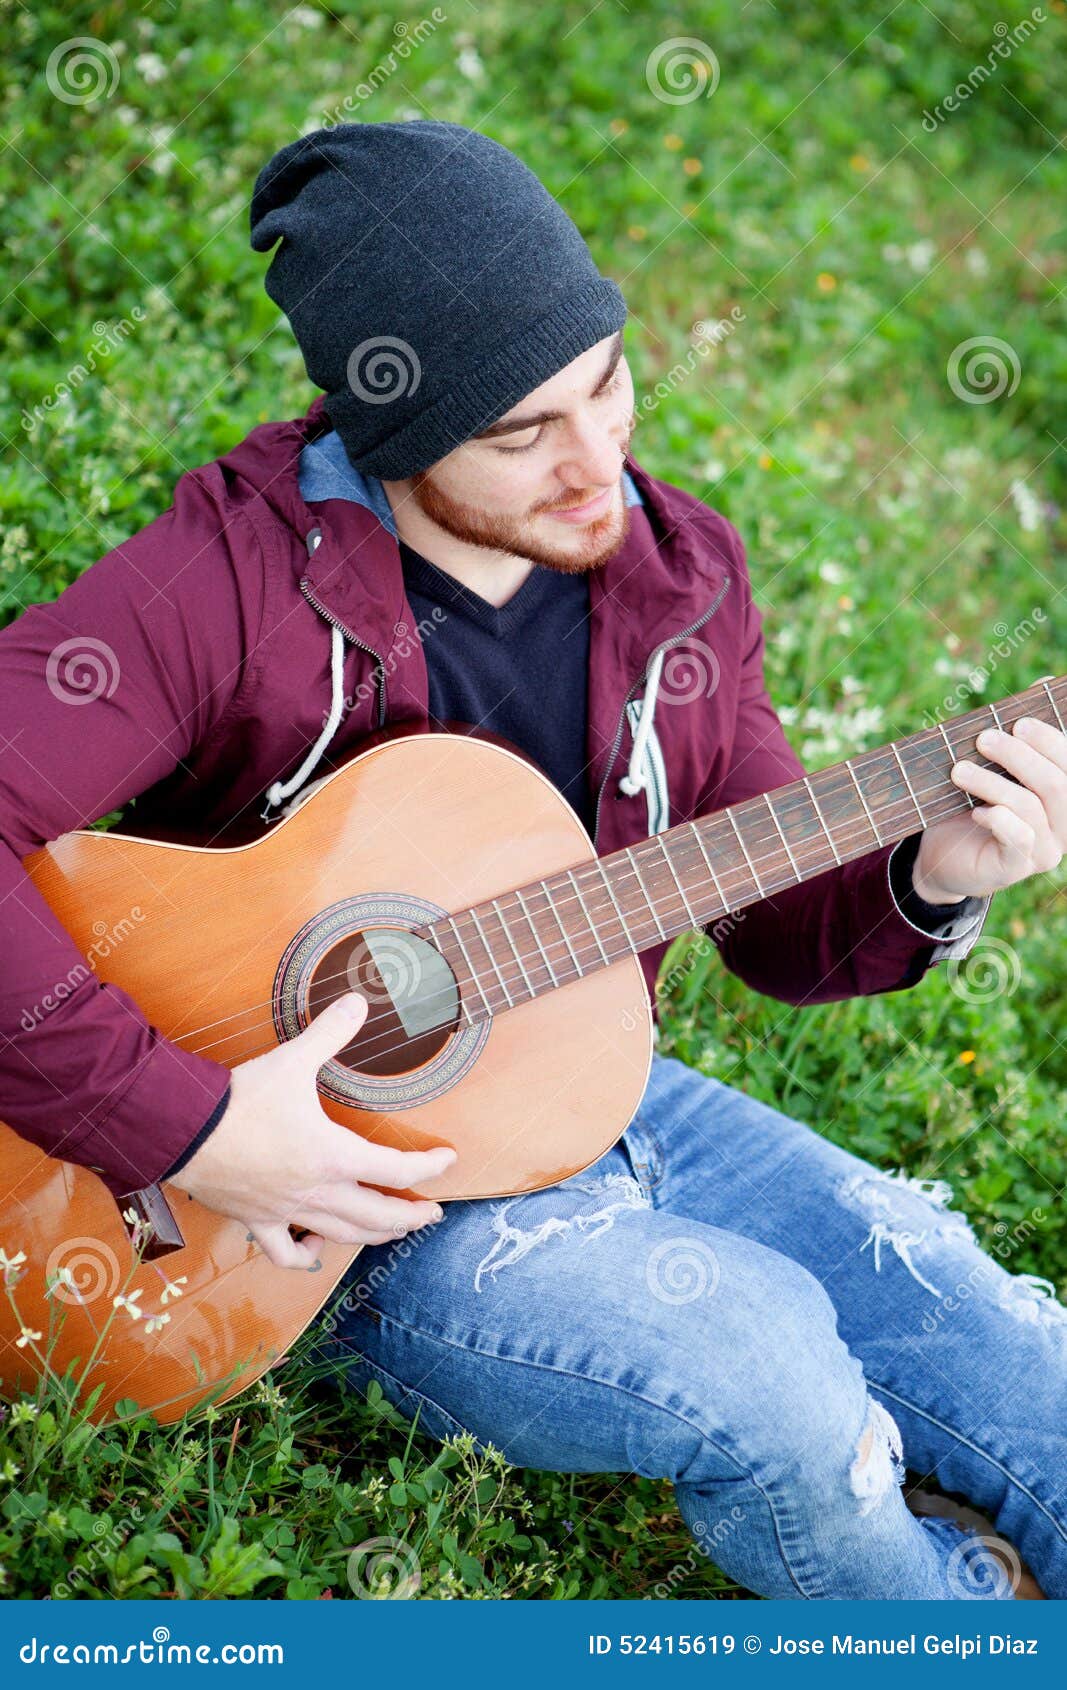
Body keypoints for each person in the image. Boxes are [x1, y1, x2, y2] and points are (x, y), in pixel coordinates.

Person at [1, 121, 1064, 1600]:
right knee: (778, 1392)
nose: (597, 461)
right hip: (330, 1205)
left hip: (596, 1087)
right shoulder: (226, 582)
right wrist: (193, 1128)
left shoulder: (683, 580)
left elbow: (768, 918)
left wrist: (933, 872)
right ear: (392, 434)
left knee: (1023, 1360)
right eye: (519, 435)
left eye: (607, 382)